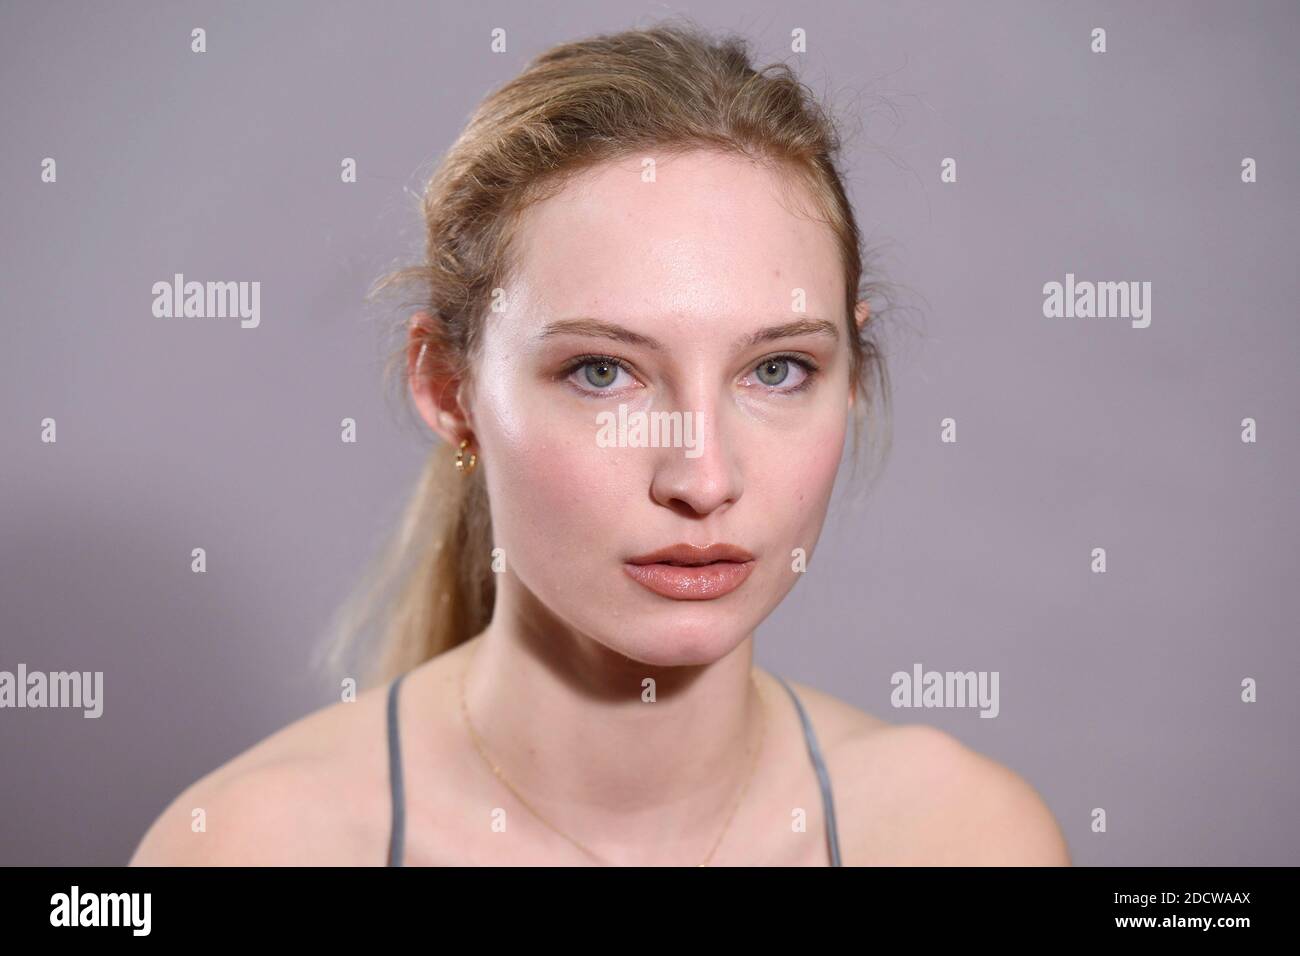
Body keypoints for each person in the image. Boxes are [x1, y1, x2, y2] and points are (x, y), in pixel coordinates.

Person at [130, 20, 1069, 867]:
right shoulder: (250, 848)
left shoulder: (964, 839)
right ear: (449, 387)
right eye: (602, 372)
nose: (703, 478)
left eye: (777, 369)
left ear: (851, 376)